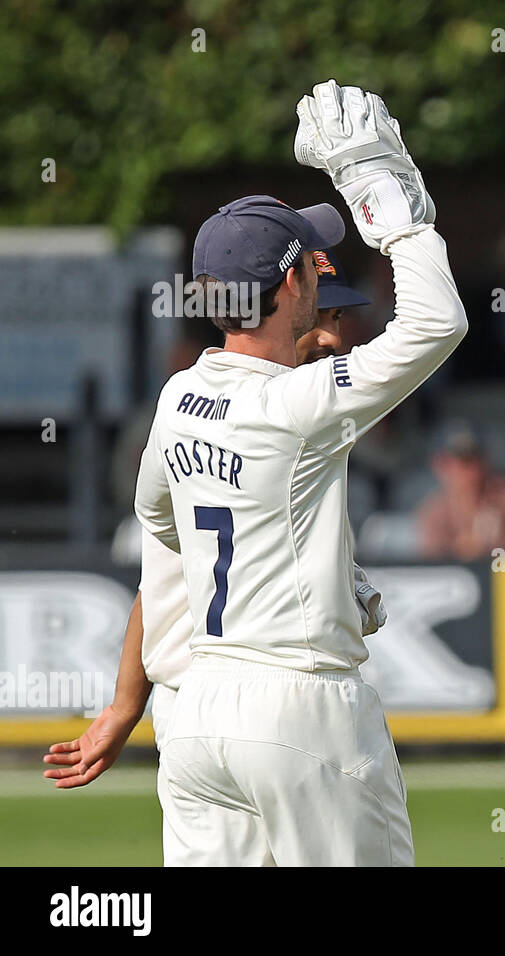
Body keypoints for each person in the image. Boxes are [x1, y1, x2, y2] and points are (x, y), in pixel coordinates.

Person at [131, 81, 468, 866]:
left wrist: (288, 561)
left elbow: (160, 522)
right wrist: (381, 191)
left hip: (202, 711)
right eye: (310, 268)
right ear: (292, 285)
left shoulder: (178, 398)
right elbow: (438, 322)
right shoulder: (300, 401)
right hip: (302, 705)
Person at [44, 271, 388, 863]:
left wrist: (126, 705)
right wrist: (127, 704)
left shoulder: (201, 415)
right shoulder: (260, 422)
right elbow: (160, 583)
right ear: (287, 314)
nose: (334, 339)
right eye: (324, 318)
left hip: (197, 719)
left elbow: (160, 578)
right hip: (241, 700)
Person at [414, 421, 505, 561]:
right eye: (462, 462)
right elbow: (432, 561)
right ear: (440, 465)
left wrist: (492, 546)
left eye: (476, 458)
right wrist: (460, 549)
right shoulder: (436, 510)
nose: (471, 470)